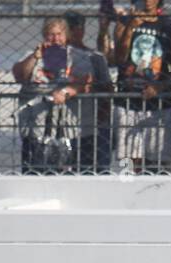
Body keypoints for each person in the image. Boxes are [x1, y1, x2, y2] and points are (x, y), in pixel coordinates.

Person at [13, 16, 94, 173]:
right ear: (44, 35)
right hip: (36, 127)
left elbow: (86, 82)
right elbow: (19, 75)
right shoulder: (33, 54)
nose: (56, 38)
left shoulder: (77, 56)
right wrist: (34, 58)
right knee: (34, 171)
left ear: (66, 36)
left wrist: (65, 91)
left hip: (67, 127)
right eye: (51, 34)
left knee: (66, 171)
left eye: (60, 34)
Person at [110, 0, 171, 173]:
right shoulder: (124, 22)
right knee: (128, 162)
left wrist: (160, 87)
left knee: (158, 162)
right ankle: (126, 190)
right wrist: (130, 28)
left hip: (158, 103)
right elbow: (119, 58)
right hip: (128, 100)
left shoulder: (169, 27)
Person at [65, 10, 114, 172]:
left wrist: (103, 118)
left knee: (95, 167)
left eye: (77, 27)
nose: (74, 31)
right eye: (69, 27)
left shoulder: (94, 56)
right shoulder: (54, 55)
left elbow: (107, 88)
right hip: (64, 123)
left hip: (90, 122)